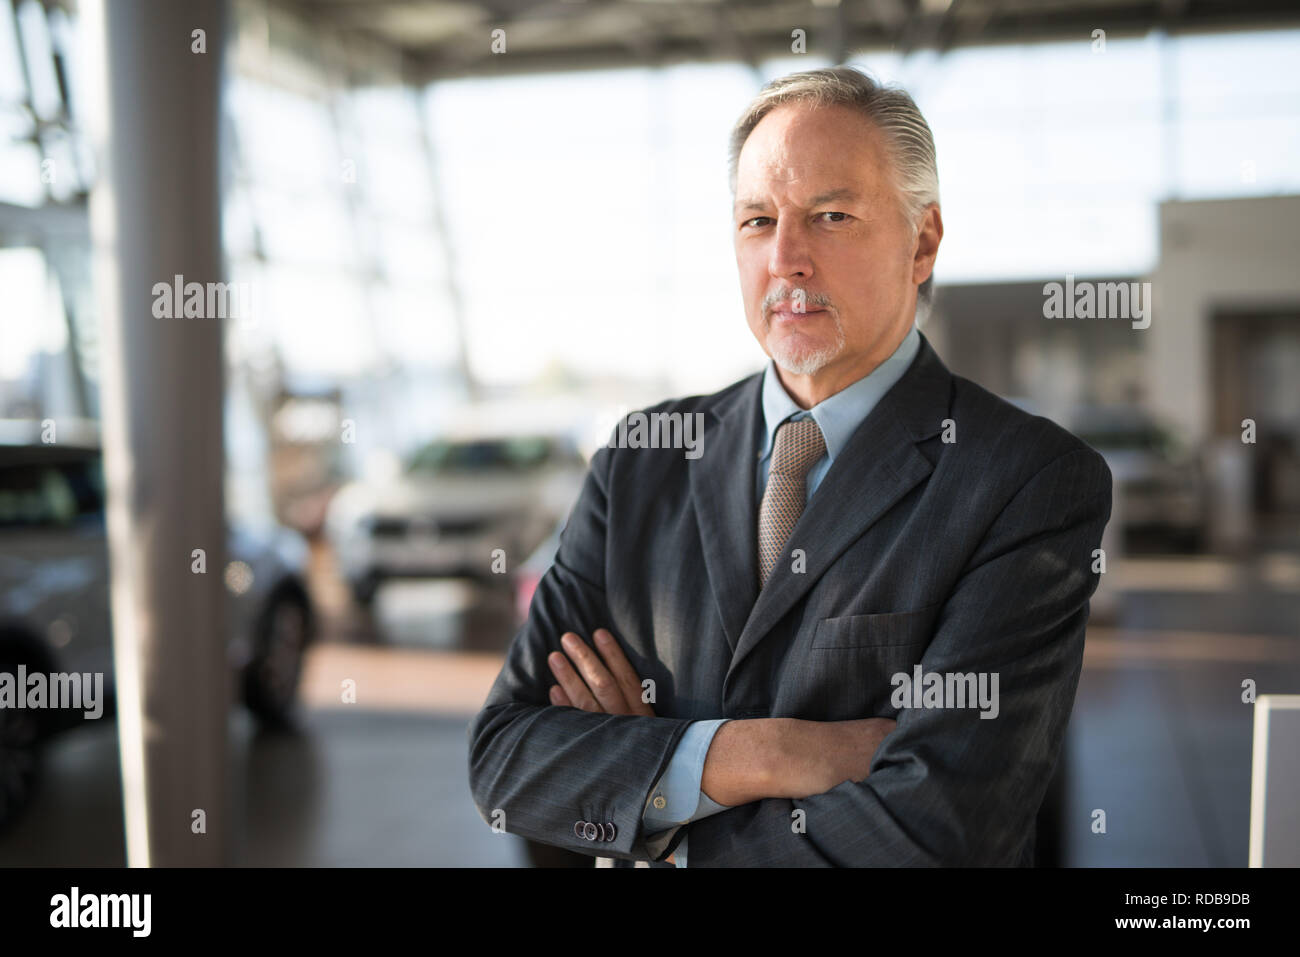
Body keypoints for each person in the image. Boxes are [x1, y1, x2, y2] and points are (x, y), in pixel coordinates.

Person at [467, 65, 1112, 867]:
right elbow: (505, 762)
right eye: (757, 220)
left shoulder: (1026, 480)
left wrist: (654, 807)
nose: (786, 258)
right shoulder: (642, 461)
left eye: (830, 215)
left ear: (923, 241)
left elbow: (940, 831)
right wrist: (764, 753)